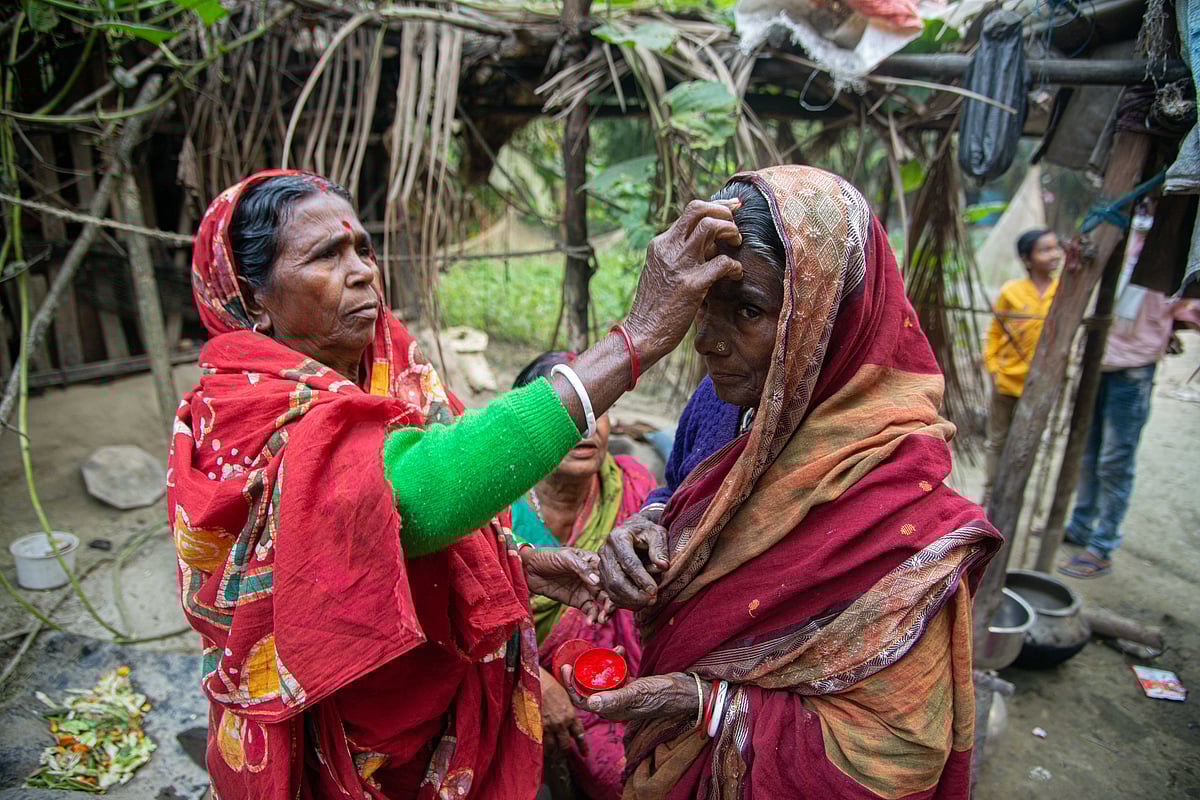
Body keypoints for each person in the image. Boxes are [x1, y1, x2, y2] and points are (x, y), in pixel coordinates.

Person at [169, 168, 744, 800]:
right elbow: (408, 500)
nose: (363, 270)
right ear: (253, 298)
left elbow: (381, 542)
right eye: (326, 256)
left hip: (431, 717)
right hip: (340, 738)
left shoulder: (396, 379)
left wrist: (517, 566)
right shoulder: (243, 416)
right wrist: (633, 342)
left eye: (362, 248)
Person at [561, 166, 1003, 799]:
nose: (707, 342)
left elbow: (895, 752)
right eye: (702, 307)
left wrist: (709, 707)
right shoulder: (718, 406)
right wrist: (646, 523)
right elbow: (682, 491)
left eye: (747, 310)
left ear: (826, 315)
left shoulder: (892, 494)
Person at [507, 352, 656, 800]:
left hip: (635, 684)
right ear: (526, 426)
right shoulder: (495, 510)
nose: (588, 427)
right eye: (569, 411)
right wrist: (532, 680)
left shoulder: (636, 488)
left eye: (601, 409)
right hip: (522, 686)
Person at [1058, 287, 1200, 578]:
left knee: (1115, 462)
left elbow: (1191, 310)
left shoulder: (1168, 255)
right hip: (1099, 362)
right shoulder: (1124, 247)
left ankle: (1102, 544)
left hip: (1134, 368)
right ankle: (1081, 525)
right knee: (1089, 453)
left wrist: (1169, 324)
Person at [981, 227, 1062, 506]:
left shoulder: (1063, 293)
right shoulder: (1011, 292)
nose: (1054, 255)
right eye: (1045, 250)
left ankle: (1014, 495)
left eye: (1055, 248)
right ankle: (990, 494)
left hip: (1040, 384)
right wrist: (992, 367)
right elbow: (994, 332)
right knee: (997, 441)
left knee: (1027, 442)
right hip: (1006, 380)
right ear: (1027, 259)